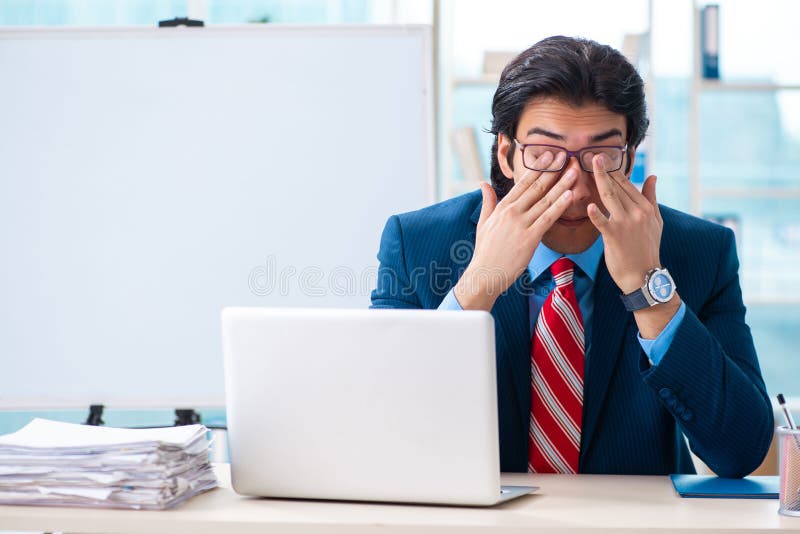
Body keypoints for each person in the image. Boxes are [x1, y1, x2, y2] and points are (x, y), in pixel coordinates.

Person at [370, 36, 773, 477]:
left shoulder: (700, 251)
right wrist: (479, 285)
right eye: (545, 155)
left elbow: (740, 452)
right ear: (506, 154)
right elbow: (379, 428)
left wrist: (649, 290)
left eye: (601, 156)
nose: (576, 189)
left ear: (629, 159)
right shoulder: (416, 243)